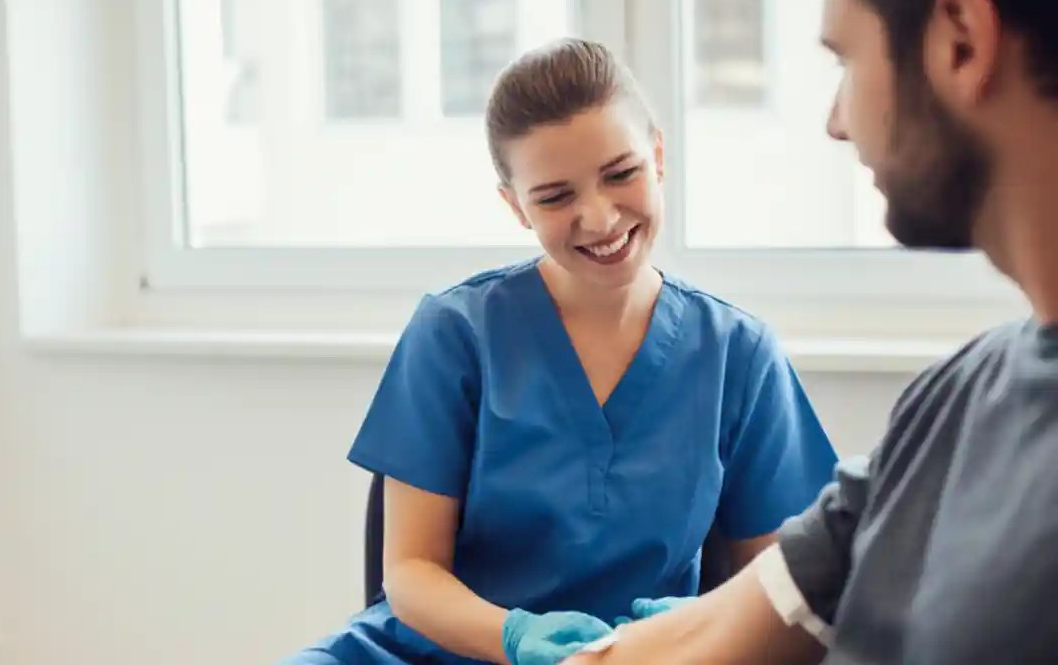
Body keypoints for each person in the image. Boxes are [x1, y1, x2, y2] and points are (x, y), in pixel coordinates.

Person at [562, 0, 1058, 664]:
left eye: (846, 62)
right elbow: (706, 633)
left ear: (960, 41)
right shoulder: (956, 404)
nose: (837, 122)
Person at [279, 38, 838, 665]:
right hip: (439, 652)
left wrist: (689, 629)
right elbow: (409, 572)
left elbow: (779, 590)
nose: (598, 218)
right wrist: (517, 639)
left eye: (620, 173)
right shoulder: (456, 331)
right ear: (515, 205)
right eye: (554, 196)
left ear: (657, 156)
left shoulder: (738, 354)